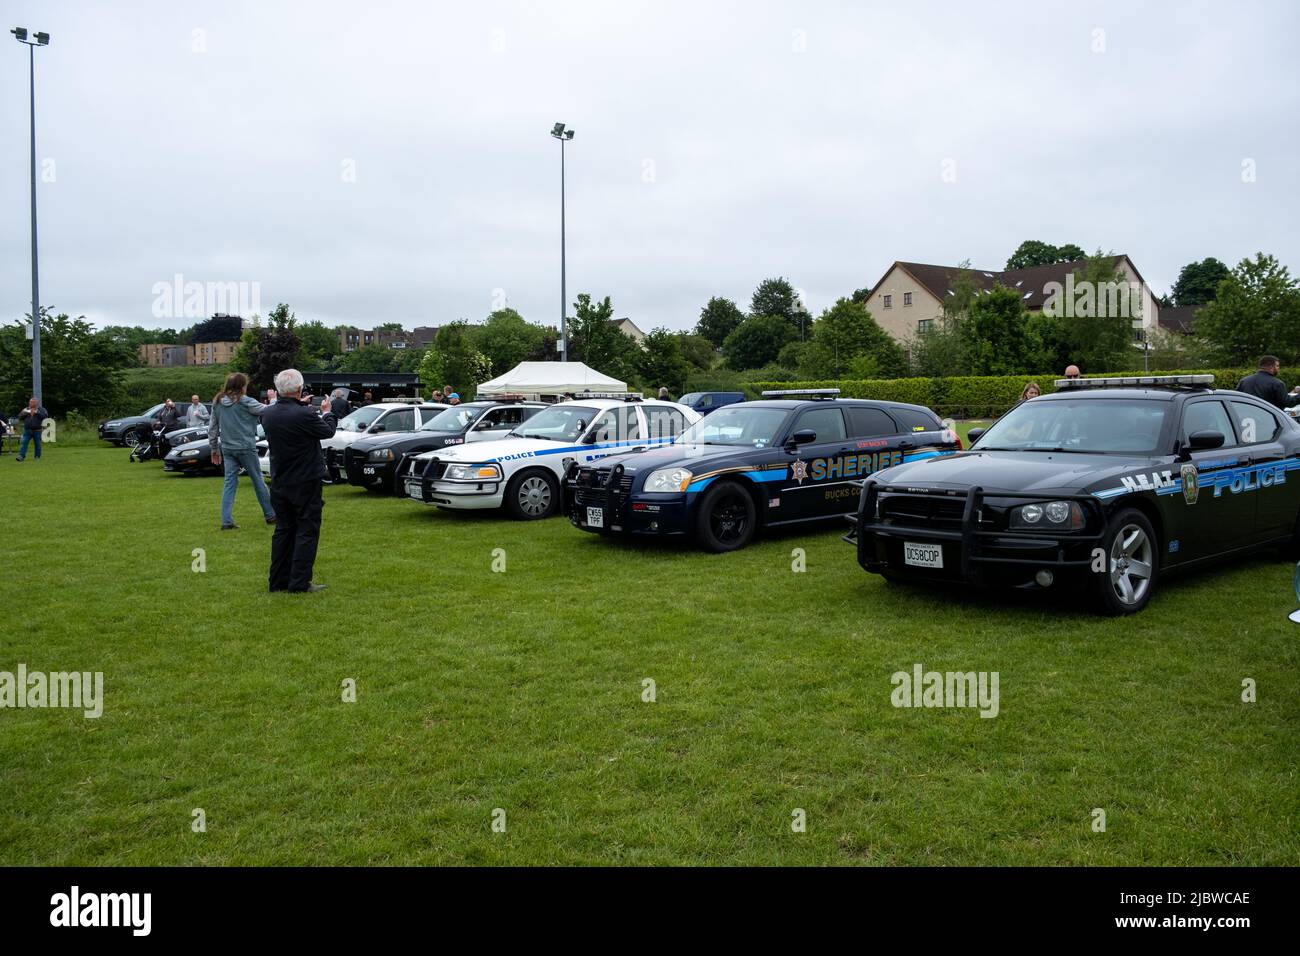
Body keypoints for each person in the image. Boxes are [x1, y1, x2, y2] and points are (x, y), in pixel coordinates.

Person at [261, 368, 337, 593]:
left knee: (284, 529)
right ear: (299, 388)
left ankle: (278, 581)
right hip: (305, 481)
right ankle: (299, 582)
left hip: (280, 479)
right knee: (307, 529)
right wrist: (327, 412)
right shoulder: (304, 415)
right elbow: (327, 432)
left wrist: (301, 406)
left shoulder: (268, 414)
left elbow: (288, 417)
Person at [209, 373, 276, 530]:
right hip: (246, 447)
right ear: (242, 386)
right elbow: (269, 411)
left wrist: (214, 448)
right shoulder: (246, 401)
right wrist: (273, 399)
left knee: (229, 483)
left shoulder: (217, 401)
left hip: (227, 448)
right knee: (258, 480)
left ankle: (226, 521)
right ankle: (270, 515)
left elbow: (212, 427)